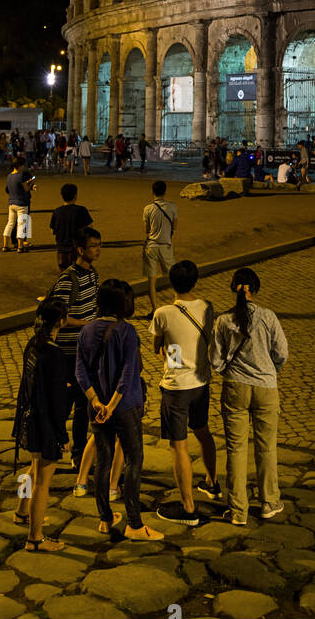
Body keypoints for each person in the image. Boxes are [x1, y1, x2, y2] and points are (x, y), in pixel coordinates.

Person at [76, 279, 163, 541]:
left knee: (102, 462)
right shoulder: (127, 332)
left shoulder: (86, 331)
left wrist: (96, 402)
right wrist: (112, 405)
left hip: (97, 408)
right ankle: (135, 524)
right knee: (134, 460)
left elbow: (80, 371)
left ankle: (105, 519)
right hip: (125, 407)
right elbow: (129, 372)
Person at [210, 268, 288, 526]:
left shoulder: (223, 320)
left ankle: (238, 510)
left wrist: (227, 371)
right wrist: (269, 370)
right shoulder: (268, 316)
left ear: (234, 288)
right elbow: (282, 353)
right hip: (266, 388)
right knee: (266, 447)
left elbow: (216, 359)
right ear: (255, 288)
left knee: (236, 449)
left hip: (235, 388)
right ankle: (269, 501)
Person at [151, 260, 218, 525]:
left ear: (171, 282)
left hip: (176, 387)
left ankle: (188, 508)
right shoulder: (207, 307)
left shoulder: (163, 313)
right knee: (202, 432)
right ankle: (212, 482)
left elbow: (158, 347)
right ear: (196, 281)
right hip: (201, 383)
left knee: (178, 445)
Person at [11, 298, 70, 551]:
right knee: (43, 482)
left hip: (29, 417)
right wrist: (62, 435)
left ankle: (21, 511)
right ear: (62, 321)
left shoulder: (33, 345)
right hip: (45, 423)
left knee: (33, 469)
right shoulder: (54, 354)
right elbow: (57, 400)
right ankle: (35, 538)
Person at [46, 226, 101, 472]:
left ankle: (77, 454)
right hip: (68, 352)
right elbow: (59, 315)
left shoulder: (93, 275)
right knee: (63, 404)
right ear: (81, 249)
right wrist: (86, 324)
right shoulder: (68, 279)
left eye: (99, 245)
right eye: (93, 246)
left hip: (85, 351)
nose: (98, 250)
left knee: (82, 405)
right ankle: (55, 445)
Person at [143, 180, 178, 320]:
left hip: (151, 246)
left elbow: (146, 230)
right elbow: (175, 226)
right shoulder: (172, 207)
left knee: (151, 281)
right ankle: (177, 306)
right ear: (165, 191)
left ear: (153, 191)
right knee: (174, 278)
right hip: (166, 246)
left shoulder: (148, 208)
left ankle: (154, 310)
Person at [49, 183, 94, 271]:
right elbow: (90, 227)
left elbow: (52, 231)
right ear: (75, 196)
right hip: (77, 249)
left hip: (61, 250)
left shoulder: (57, 212)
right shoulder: (81, 210)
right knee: (79, 275)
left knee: (65, 275)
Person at [2, 156, 35, 253]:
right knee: (21, 225)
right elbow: (26, 189)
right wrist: (31, 182)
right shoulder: (20, 176)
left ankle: (5, 245)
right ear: (20, 165)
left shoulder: (9, 176)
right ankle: (20, 246)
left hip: (11, 203)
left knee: (10, 224)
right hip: (21, 203)